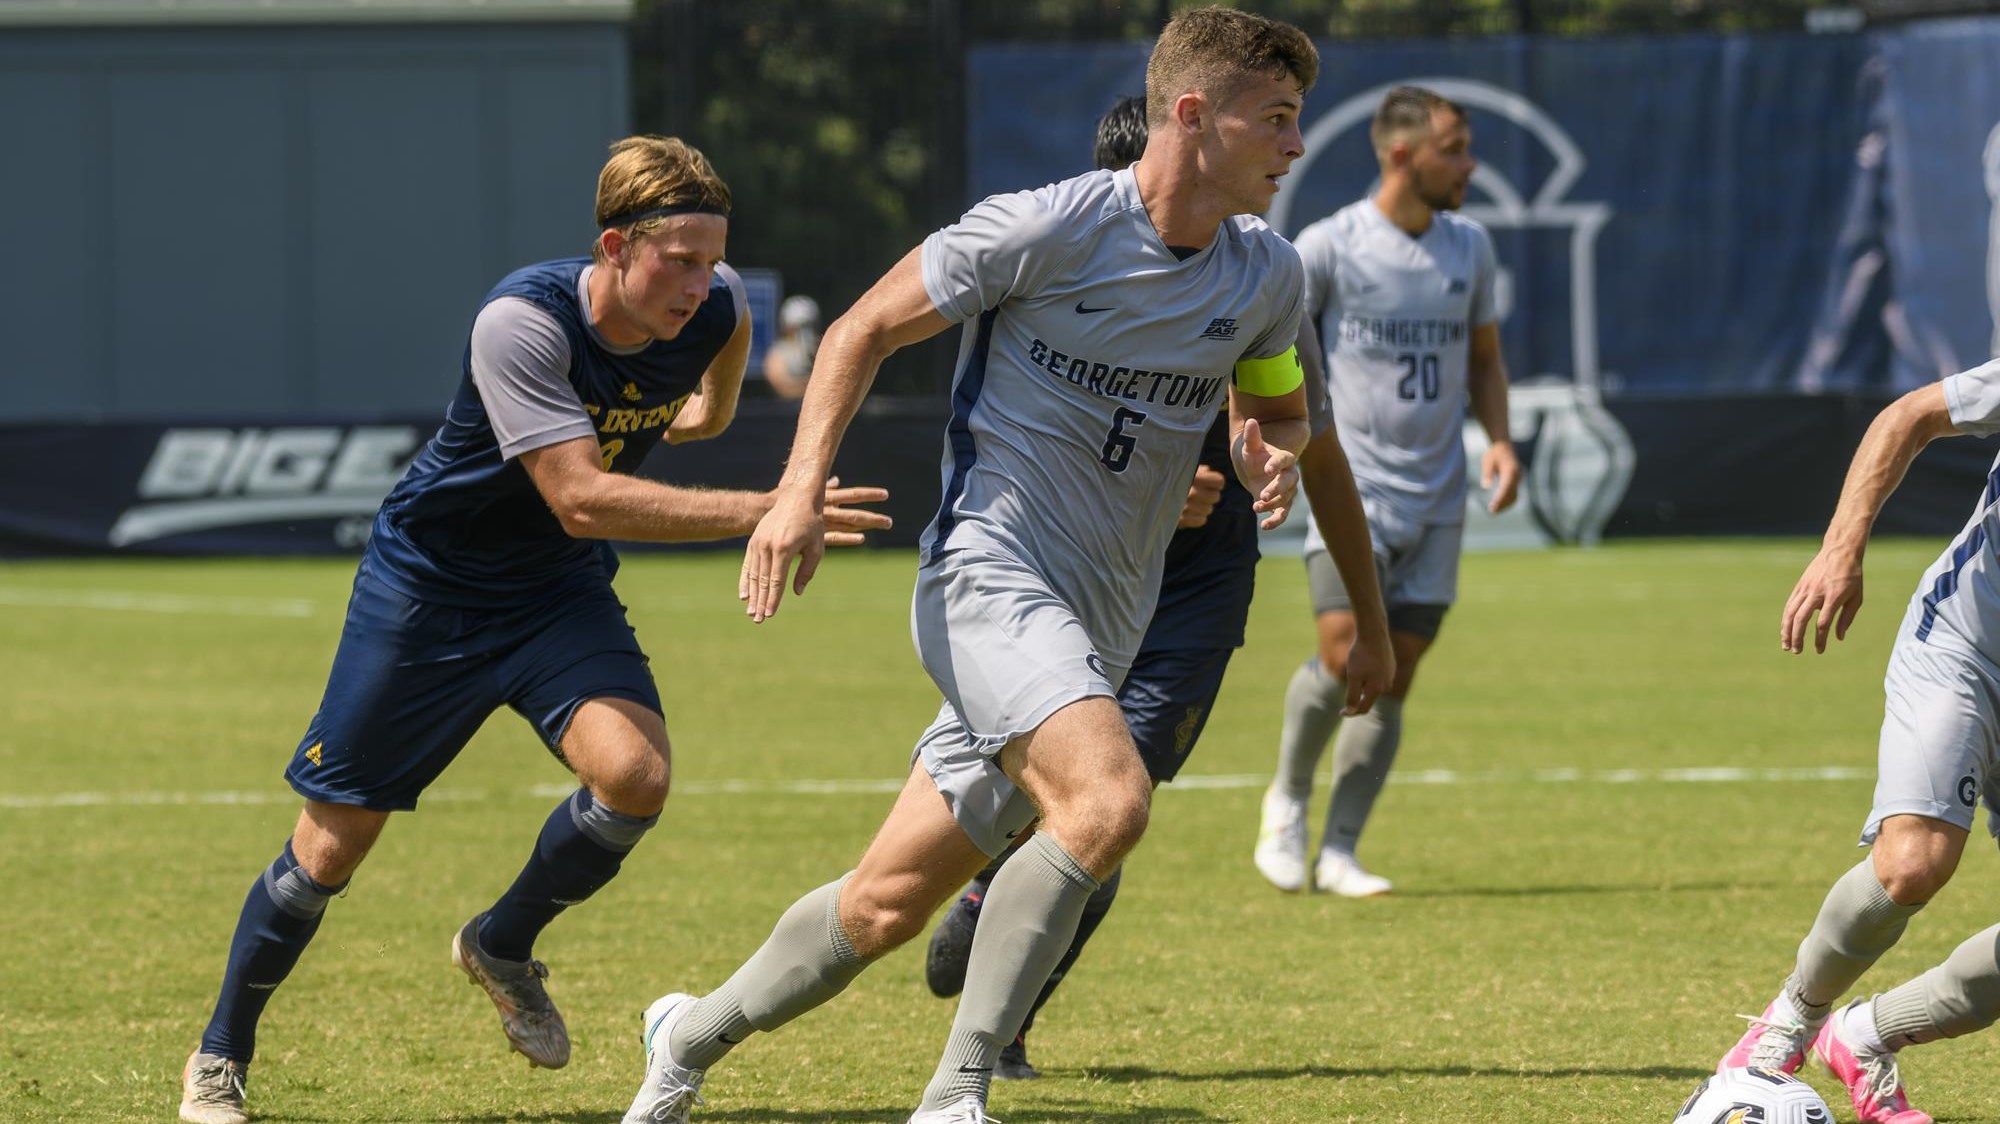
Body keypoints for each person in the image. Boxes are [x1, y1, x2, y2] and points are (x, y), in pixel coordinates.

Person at [621, 10, 1328, 1122]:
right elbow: (857, 329)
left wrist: (1260, 453)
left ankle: (684, 1038)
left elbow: (1276, 407)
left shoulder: (1268, 278)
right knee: (1105, 801)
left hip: (1101, 623)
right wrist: (796, 489)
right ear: (1190, 114)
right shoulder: (1041, 229)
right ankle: (954, 1095)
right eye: (1276, 120)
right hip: (985, 578)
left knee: (885, 902)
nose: (1294, 146)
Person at [176, 135, 891, 1124]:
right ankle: (218, 1056)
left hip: (552, 592)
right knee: (331, 846)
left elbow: (711, 380)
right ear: (612, 246)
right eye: (674, 261)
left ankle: (501, 941)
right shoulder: (522, 323)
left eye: (707, 259)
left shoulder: (715, 303)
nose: (699, 283)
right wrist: (769, 504)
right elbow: (582, 499)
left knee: (635, 776)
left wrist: (697, 414)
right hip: (431, 588)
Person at [915, 91, 1394, 1082]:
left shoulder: (1261, 278)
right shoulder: (1062, 252)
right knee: (1052, 805)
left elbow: (1316, 445)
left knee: (1111, 804)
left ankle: (998, 1028)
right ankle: (971, 915)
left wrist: (1368, 616)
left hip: (1194, 591)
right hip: (1058, 567)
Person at [1253, 85, 1521, 897]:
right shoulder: (1330, 246)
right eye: (1454, 149)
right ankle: (1289, 800)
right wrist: (1275, 444)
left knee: (1395, 673)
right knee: (1343, 655)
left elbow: (1482, 358)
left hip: (1439, 497)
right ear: (1402, 153)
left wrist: (1501, 439)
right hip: (1353, 488)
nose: (1468, 165)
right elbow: (1276, 355)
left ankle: (1339, 850)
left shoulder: (1469, 248)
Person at [1719, 358, 2000, 1124]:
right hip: (1966, 646)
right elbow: (1906, 416)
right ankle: (1789, 1022)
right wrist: (1843, 546)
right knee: (1913, 864)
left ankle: (1866, 1036)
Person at [763, 294, 821, 399]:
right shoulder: (779, 352)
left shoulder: (821, 349)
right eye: (798, 327)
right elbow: (782, 386)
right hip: (785, 412)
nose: (803, 332)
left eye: (808, 325)